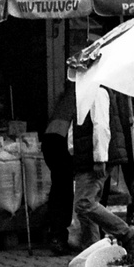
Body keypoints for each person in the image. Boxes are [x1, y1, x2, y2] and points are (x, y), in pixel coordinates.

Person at [73, 85, 134, 251]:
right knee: (88, 207)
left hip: (94, 157)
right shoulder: (87, 93)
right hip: (87, 156)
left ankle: (125, 232)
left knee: (84, 203)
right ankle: (94, 249)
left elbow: (101, 125)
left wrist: (100, 158)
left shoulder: (97, 91)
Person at [41, 87, 77, 255]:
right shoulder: (91, 88)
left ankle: (54, 232)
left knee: (59, 186)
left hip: (50, 137)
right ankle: (58, 236)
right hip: (64, 138)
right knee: (64, 190)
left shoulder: (68, 92)